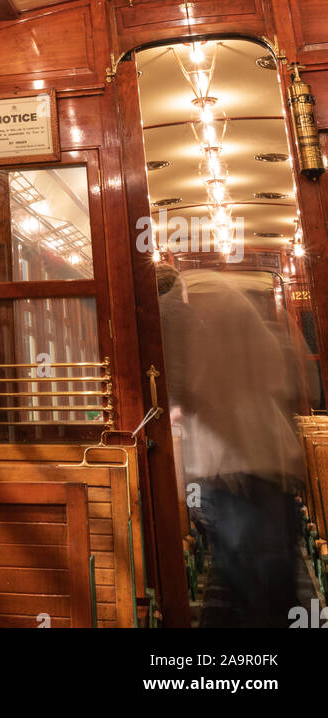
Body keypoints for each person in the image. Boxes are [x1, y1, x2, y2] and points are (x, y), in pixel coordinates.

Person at [157, 267, 309, 628]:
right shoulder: (245, 317)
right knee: (269, 582)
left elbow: (180, 389)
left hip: (229, 467)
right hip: (266, 462)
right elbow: (284, 379)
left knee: (253, 580)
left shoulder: (178, 314)